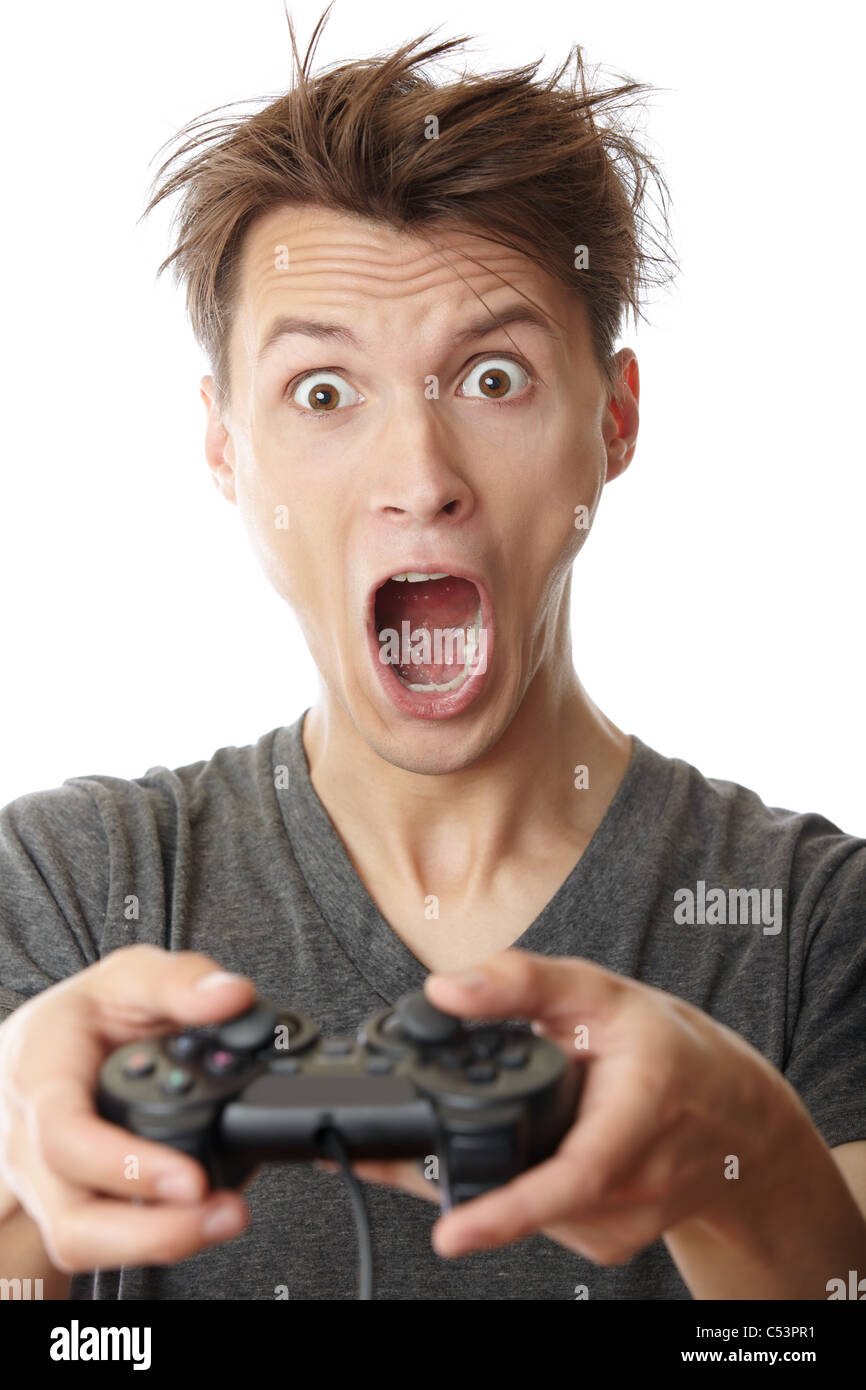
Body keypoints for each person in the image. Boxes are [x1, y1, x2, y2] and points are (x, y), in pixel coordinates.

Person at [1, 15, 864, 1302]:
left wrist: (740, 1155)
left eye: (495, 376)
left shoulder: (813, 926)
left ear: (611, 420)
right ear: (225, 446)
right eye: (323, 393)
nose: (420, 479)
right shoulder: (69, 891)